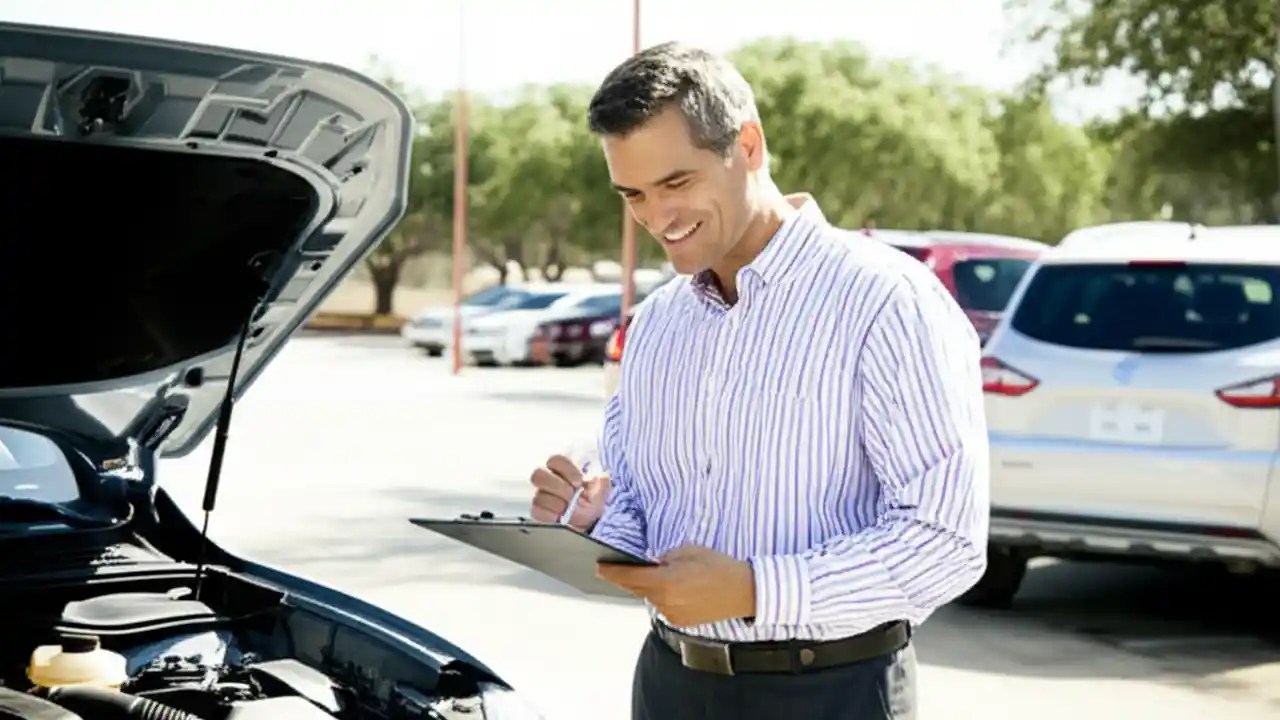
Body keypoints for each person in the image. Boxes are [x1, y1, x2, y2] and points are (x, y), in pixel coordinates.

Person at [528, 41, 990, 720]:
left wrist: (756, 590)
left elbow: (944, 542)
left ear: (747, 145)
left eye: (677, 183)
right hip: (668, 684)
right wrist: (592, 518)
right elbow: (647, 517)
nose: (658, 217)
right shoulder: (656, 326)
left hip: (830, 694)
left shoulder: (887, 301)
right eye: (634, 194)